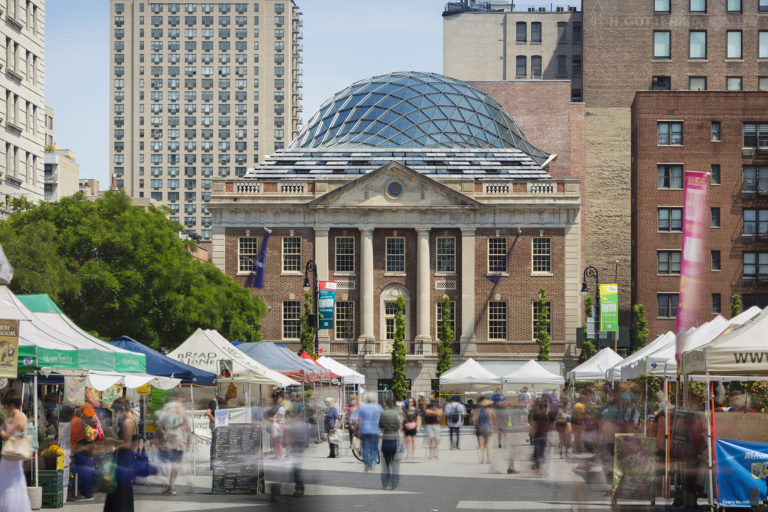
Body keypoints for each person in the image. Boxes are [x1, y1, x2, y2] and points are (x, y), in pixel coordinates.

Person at [104, 398, 138, 512]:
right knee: (121, 490)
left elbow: (127, 444)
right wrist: (113, 438)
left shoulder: (128, 422)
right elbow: (130, 442)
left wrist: (114, 447)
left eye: (116, 410)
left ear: (123, 408)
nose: (116, 413)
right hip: (126, 458)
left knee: (120, 491)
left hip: (123, 459)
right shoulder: (132, 419)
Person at [0, 390, 32, 512]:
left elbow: (7, 435)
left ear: (11, 405)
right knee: (12, 484)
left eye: (5, 405)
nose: (4, 408)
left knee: (10, 485)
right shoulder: (18, 416)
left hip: (12, 456)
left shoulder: (18, 416)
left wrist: (1, 430)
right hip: (12, 458)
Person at [156, 390, 191, 496]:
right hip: (181, 440)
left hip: (170, 440)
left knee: (168, 461)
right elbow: (188, 426)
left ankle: (169, 485)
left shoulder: (167, 407)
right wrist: (188, 441)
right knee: (176, 462)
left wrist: (160, 436)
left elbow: (159, 424)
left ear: (173, 397)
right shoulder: (182, 409)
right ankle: (172, 485)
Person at [71, 403, 101, 502]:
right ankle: (85, 493)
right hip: (86, 450)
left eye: (80, 410)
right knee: (84, 472)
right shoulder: (93, 419)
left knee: (84, 472)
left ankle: (87, 494)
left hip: (83, 450)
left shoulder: (86, 420)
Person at [378, 399, 403, 490]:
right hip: (393, 440)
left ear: (386, 405)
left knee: (386, 464)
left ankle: (385, 484)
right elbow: (397, 427)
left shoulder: (383, 413)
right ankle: (394, 485)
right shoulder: (396, 413)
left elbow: (380, 425)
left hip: (385, 440)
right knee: (395, 464)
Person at [356, 392, 383, 472]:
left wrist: (359, 430)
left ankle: (368, 465)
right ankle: (370, 463)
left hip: (365, 429)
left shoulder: (362, 407)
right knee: (374, 448)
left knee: (365, 448)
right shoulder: (378, 407)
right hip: (375, 429)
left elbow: (360, 420)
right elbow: (382, 418)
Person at [530, 398, 550, 476]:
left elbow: (534, 426)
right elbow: (547, 427)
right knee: (542, 453)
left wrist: (532, 434)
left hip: (537, 436)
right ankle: (542, 469)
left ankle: (539, 470)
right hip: (544, 436)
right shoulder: (545, 415)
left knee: (537, 453)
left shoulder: (535, 415)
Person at [473, 397, 495, 465]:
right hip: (488, 427)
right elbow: (492, 419)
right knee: (488, 443)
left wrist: (476, 426)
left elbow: (474, 419)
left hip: (480, 427)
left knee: (481, 444)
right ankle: (488, 459)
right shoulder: (490, 410)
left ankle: (482, 459)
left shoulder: (477, 410)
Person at [424, 393, 442, 460]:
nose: (430, 398)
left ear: (434, 398)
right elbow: (427, 412)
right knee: (430, 439)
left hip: (436, 424)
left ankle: (436, 454)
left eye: (431, 397)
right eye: (429, 397)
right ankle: (430, 454)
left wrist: (432, 412)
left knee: (436, 439)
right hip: (429, 424)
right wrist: (435, 412)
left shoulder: (438, 405)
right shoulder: (428, 405)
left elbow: (440, 414)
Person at [206, 395, 217, 470]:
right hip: (215, 425)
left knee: (216, 443)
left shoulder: (216, 402)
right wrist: (216, 420)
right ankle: (213, 465)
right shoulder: (214, 402)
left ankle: (214, 464)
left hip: (216, 424)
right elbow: (208, 413)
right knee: (214, 443)